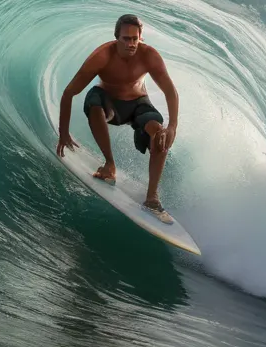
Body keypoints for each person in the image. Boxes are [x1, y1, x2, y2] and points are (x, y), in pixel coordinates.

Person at [56, 14, 179, 219]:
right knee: (94, 104)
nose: (131, 43)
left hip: (138, 103)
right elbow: (69, 93)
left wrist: (172, 126)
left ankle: (152, 198)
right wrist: (63, 133)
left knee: (160, 135)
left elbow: (170, 91)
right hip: (109, 102)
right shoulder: (102, 56)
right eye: (126, 38)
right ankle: (109, 164)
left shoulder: (149, 56)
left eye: (135, 39)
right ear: (116, 37)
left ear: (141, 38)